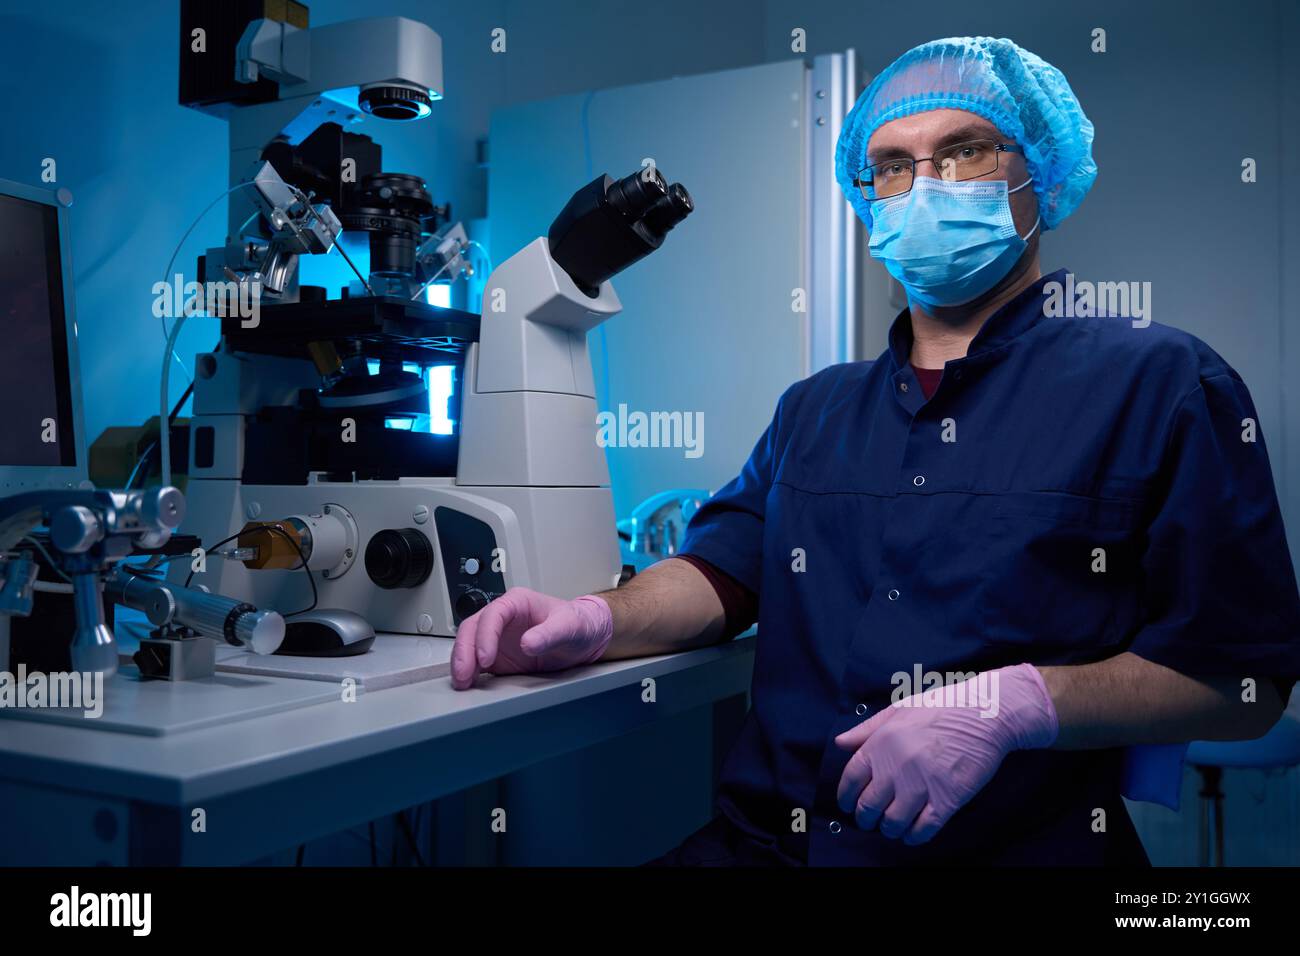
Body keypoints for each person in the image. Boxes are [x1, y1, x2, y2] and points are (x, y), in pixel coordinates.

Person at [450, 36, 1300, 865]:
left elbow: (1242, 686)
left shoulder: (1160, 383)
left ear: (1038, 172)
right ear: (866, 196)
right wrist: (595, 618)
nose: (922, 186)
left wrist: (1021, 705)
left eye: (964, 151)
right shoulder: (816, 409)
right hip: (766, 844)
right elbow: (719, 572)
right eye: (892, 164)